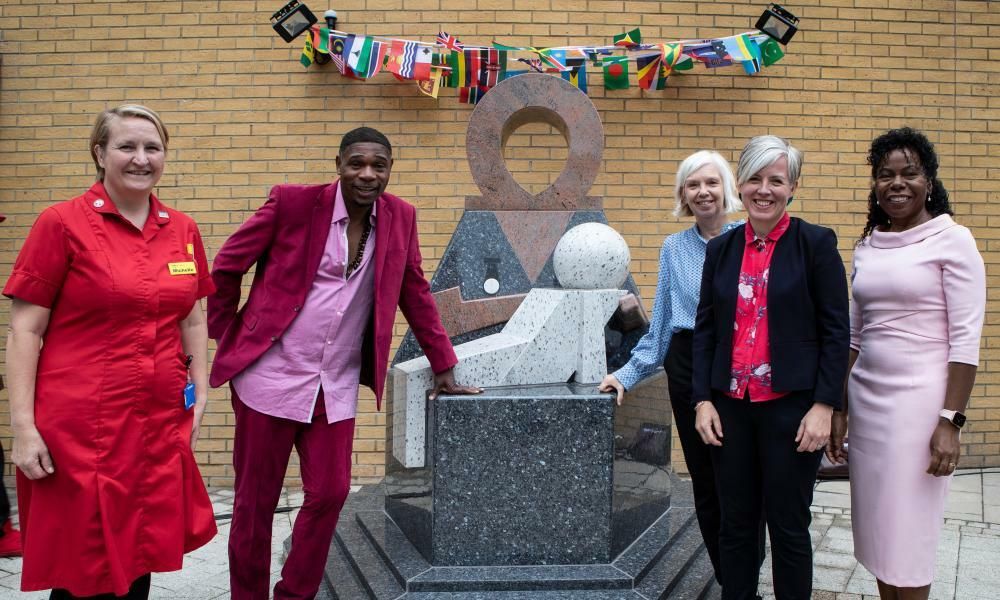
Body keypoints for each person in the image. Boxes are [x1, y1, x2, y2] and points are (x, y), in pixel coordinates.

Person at [208, 126, 481, 600]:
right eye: (357, 163)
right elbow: (227, 265)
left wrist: (443, 363)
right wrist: (230, 334)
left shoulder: (400, 217)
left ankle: (294, 594)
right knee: (255, 506)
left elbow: (413, 290)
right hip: (269, 379)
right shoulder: (293, 204)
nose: (367, 174)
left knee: (331, 493)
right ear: (338, 165)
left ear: (390, 170)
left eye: (379, 165)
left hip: (333, 385)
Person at [4, 105, 217, 598]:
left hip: (156, 420)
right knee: (86, 564)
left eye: (153, 148)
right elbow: (25, 332)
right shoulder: (60, 224)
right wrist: (22, 427)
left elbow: (193, 318)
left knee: (142, 549)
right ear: (100, 153)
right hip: (81, 428)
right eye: (127, 146)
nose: (141, 159)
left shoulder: (182, 229)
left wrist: (199, 393)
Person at [827, 128, 985, 600]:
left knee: (909, 541)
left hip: (919, 411)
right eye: (885, 175)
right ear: (874, 185)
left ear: (929, 182)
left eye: (909, 173)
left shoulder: (953, 240)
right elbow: (854, 336)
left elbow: (965, 342)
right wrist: (839, 407)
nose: (897, 183)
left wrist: (949, 422)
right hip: (868, 407)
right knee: (879, 538)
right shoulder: (870, 245)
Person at [692, 135, 849, 600]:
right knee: (736, 526)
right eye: (755, 179)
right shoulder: (721, 249)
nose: (765, 189)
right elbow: (705, 331)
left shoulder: (815, 244)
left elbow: (836, 331)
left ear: (793, 187)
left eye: (776, 180)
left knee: (788, 528)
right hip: (730, 409)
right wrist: (702, 399)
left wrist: (825, 406)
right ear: (739, 185)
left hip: (791, 411)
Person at [599, 150, 754, 583]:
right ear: (683, 194)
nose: (703, 192)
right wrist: (626, 374)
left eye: (711, 182)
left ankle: (747, 570)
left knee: (744, 478)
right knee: (705, 481)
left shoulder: (750, 237)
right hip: (688, 366)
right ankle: (730, 582)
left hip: (742, 363)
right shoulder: (674, 247)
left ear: (727, 188)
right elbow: (663, 323)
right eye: (693, 185)